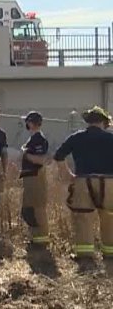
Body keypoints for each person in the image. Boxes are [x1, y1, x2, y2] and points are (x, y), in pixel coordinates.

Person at [53, 106, 113, 261]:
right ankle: (110, 253)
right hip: (108, 182)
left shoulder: (76, 137)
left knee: (83, 219)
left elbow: (58, 156)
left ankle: (85, 255)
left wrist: (68, 175)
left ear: (88, 121)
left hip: (83, 181)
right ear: (104, 122)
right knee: (109, 218)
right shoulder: (111, 138)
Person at [19, 111, 51, 250]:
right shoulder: (32, 139)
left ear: (31, 123)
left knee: (38, 208)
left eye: (27, 122)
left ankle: (42, 240)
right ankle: (35, 238)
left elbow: (41, 159)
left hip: (36, 177)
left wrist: (25, 154)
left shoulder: (39, 140)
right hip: (29, 177)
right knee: (29, 209)